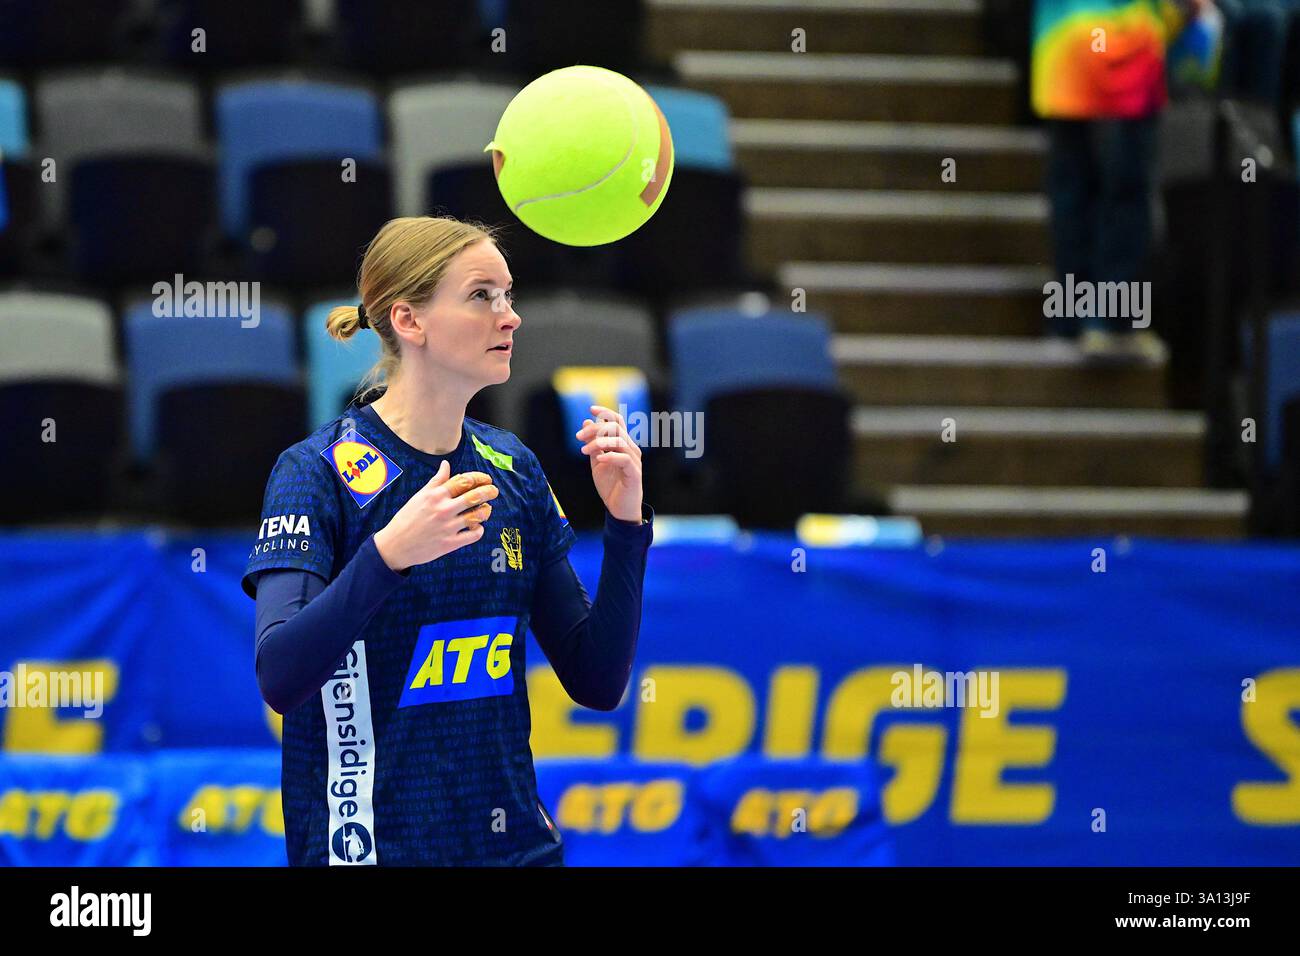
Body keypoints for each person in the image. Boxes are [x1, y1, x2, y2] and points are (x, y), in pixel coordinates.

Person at [241, 216, 654, 866]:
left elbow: (596, 680)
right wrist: (386, 556)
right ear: (409, 321)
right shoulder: (315, 471)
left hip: (519, 852)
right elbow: (281, 676)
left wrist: (627, 526)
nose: (509, 316)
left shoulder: (514, 468)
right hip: (372, 853)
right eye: (482, 295)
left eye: (509, 294)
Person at [1032, 0, 1211, 361]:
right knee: (1127, 192)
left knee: (1072, 192)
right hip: (1126, 48)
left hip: (1062, 44)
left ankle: (1068, 319)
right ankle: (1112, 323)